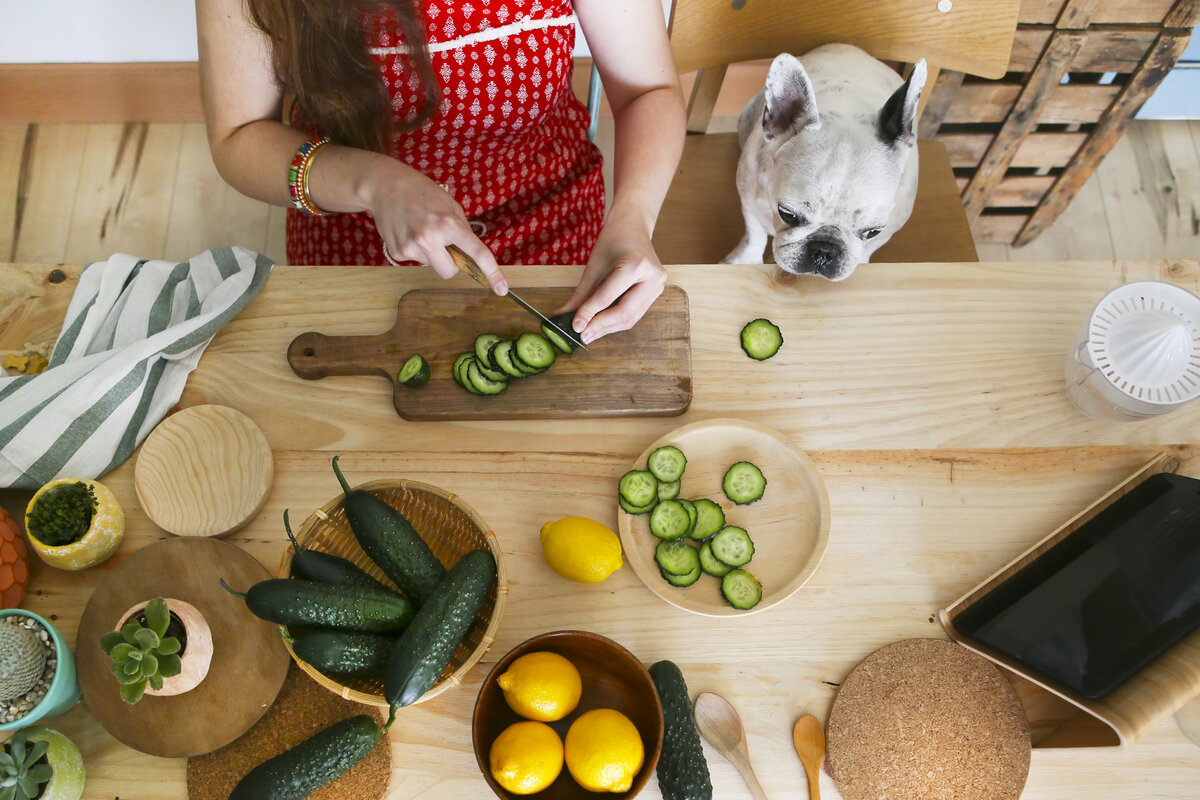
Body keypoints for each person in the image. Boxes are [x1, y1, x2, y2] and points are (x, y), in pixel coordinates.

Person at [196, 0, 685, 344]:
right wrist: (374, 182)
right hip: (356, 238)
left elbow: (648, 91)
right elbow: (239, 135)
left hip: (555, 228)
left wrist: (633, 220)